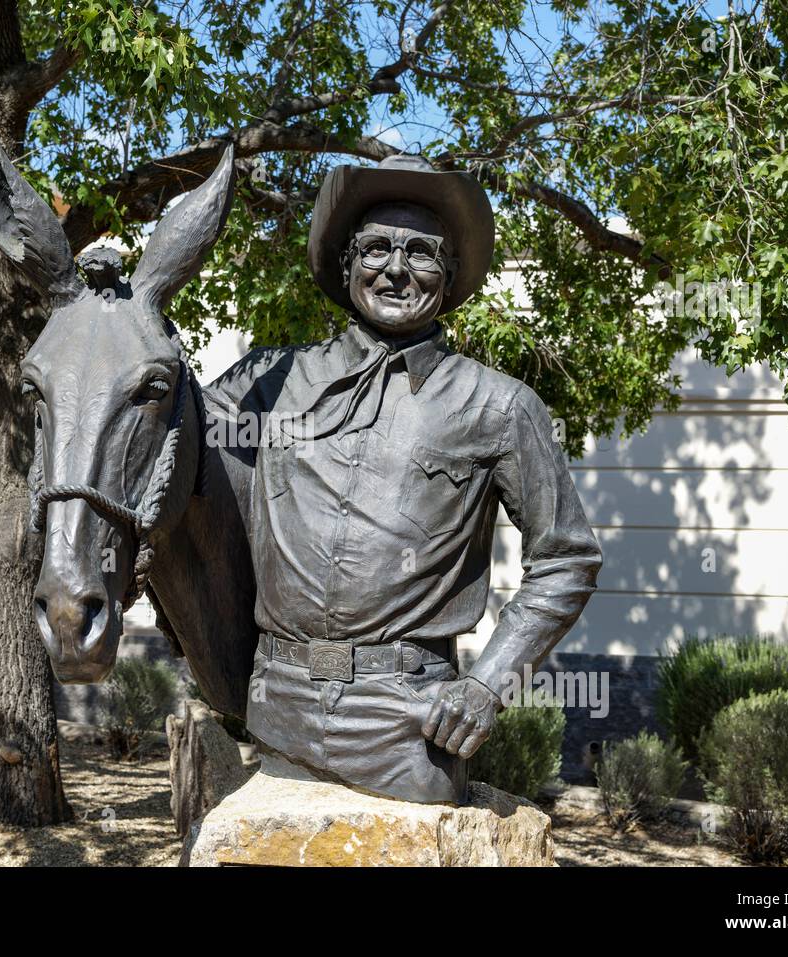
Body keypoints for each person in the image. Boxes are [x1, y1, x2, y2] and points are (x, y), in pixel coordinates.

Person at [205, 153, 603, 803]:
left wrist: (489, 684)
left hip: (409, 729)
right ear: (346, 265)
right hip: (275, 706)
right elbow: (168, 429)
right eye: (377, 248)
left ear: (447, 276)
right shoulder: (267, 379)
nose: (395, 267)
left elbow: (568, 557)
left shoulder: (500, 406)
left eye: (420, 252)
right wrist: (123, 317)